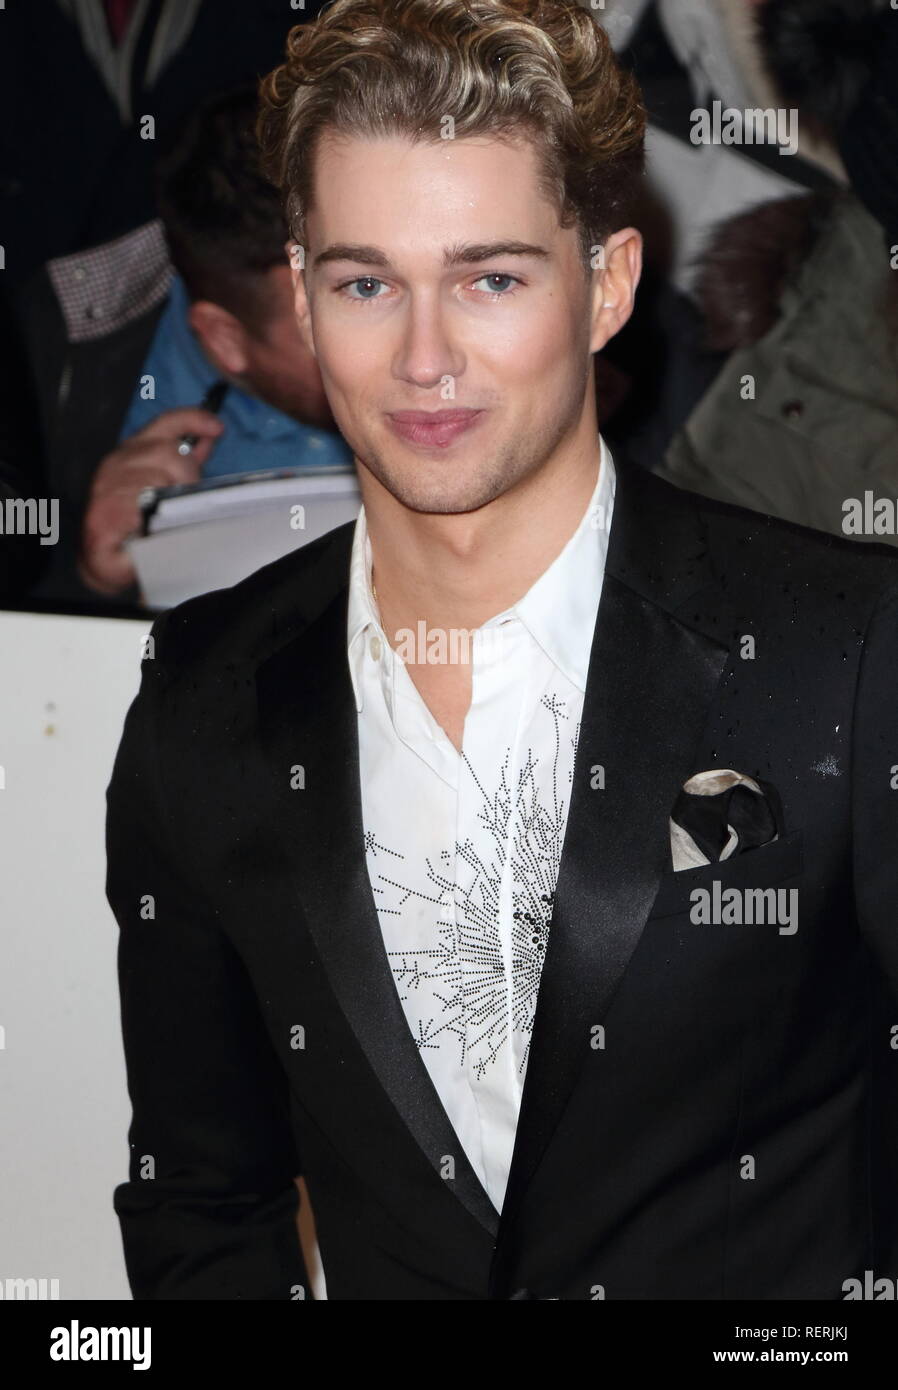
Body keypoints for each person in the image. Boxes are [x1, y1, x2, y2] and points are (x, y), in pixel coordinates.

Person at [106, 0, 898, 1300]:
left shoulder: (844, 652)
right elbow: (201, 1198)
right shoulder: (206, 704)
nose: (423, 359)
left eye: (489, 278)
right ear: (300, 297)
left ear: (605, 285)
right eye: (366, 283)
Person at [79, 87, 352, 597]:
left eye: (371, 284)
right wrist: (96, 580)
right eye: (340, 305)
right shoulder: (67, 391)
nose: (415, 357)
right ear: (225, 339)